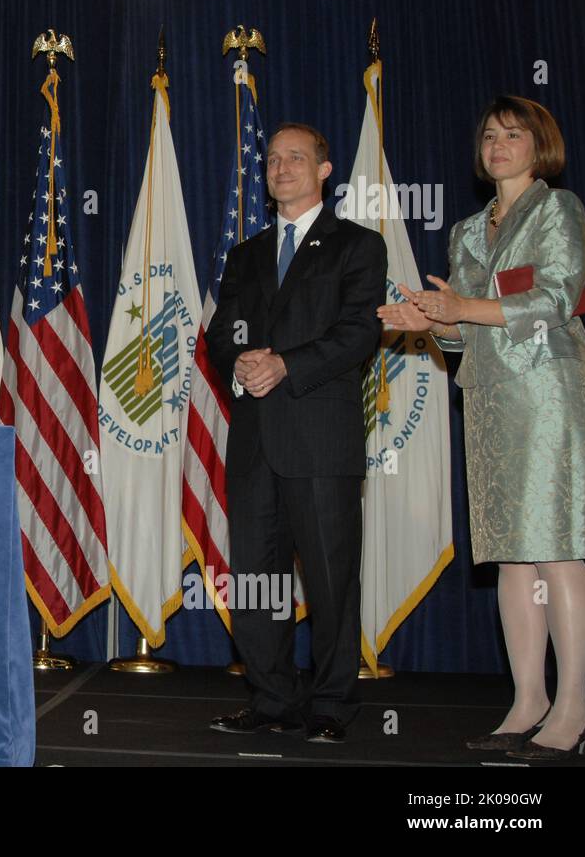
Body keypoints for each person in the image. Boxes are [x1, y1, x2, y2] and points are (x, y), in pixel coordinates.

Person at [380, 96, 585, 760]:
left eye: (513, 134)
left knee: (556, 546)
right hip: (491, 397)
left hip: (550, 393)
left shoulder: (558, 209)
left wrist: (463, 306)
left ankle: (575, 702)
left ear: (540, 146)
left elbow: (555, 300)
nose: (498, 144)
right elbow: (468, 335)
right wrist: (430, 323)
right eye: (490, 135)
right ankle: (528, 698)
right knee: (510, 552)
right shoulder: (469, 231)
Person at [205, 123, 387, 743]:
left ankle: (332, 703)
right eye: (274, 159)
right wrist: (243, 362)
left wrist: (286, 364)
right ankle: (271, 697)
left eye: (297, 158)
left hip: (319, 438)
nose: (281, 168)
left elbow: (360, 332)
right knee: (256, 576)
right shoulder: (246, 254)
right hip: (255, 439)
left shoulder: (357, 246)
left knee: (332, 577)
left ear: (325, 170)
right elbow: (220, 332)